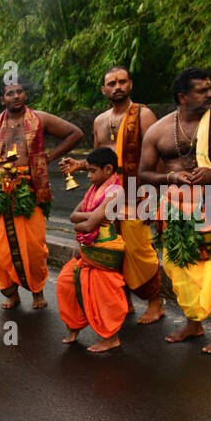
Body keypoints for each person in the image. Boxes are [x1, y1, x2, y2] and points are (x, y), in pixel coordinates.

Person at [138, 67, 211, 354]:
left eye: (210, 88)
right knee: (181, 269)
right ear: (183, 96)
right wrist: (171, 177)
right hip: (175, 212)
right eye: (202, 90)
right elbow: (143, 173)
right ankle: (194, 323)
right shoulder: (159, 130)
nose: (210, 94)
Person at [61, 66, 163, 324]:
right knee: (113, 250)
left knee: (140, 252)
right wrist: (80, 165)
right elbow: (101, 159)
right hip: (108, 197)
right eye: (111, 83)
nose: (117, 87)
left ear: (130, 84)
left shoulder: (144, 114)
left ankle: (155, 303)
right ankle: (124, 301)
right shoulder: (100, 121)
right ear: (104, 89)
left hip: (136, 196)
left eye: (122, 82)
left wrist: (154, 198)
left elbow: (155, 158)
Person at [0, 80, 83, 308]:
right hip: (1, 192)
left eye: (20, 91)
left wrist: (49, 157)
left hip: (31, 189)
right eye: (9, 93)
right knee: (2, 247)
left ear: (25, 94)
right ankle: (12, 294)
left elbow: (75, 133)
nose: (16, 96)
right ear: (2, 99)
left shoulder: (40, 118)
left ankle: (37, 292)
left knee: (34, 246)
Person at [56, 147, 131, 353]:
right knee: (66, 282)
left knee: (103, 292)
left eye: (92, 171)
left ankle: (111, 337)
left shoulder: (116, 191)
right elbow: (74, 215)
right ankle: (74, 327)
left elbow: (87, 225)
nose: (88, 176)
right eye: (87, 171)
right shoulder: (94, 189)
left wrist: (85, 222)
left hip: (104, 249)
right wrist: (89, 219)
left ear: (108, 169)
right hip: (88, 249)